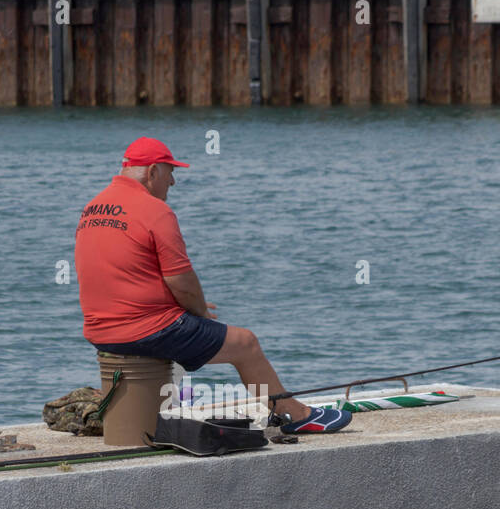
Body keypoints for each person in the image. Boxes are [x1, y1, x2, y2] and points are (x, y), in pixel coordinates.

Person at [73, 136, 351, 435]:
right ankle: (296, 415)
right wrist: (201, 311)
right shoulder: (154, 210)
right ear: (152, 172)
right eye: (170, 173)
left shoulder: (93, 208)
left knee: (195, 328)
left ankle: (157, 414)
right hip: (144, 331)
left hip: (100, 331)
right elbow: (181, 281)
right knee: (245, 343)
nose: (174, 182)